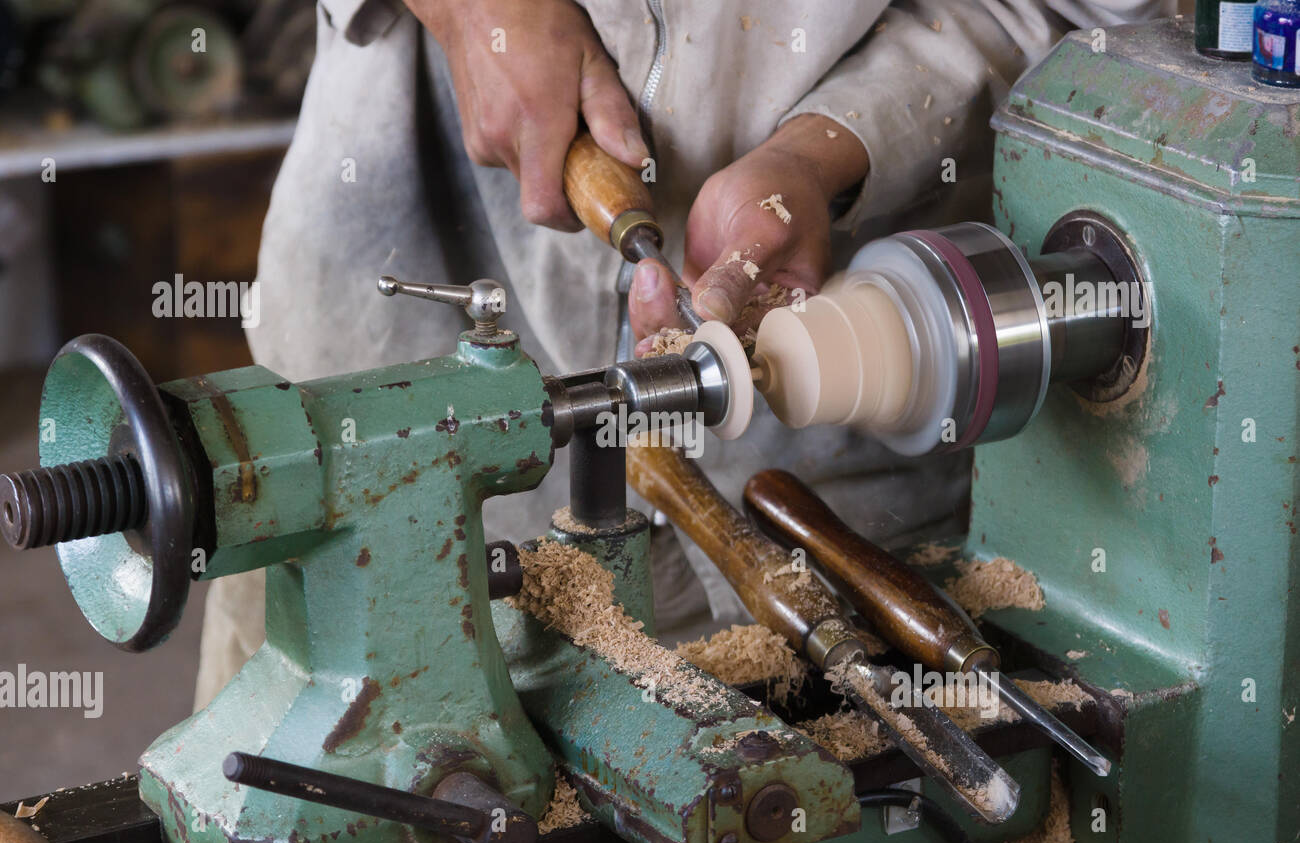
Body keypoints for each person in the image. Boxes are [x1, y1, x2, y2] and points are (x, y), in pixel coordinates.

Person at [194, 0, 1177, 709]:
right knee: (307, 751)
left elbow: (1067, 9)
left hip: (817, 454)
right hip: (383, 366)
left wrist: (818, 156)